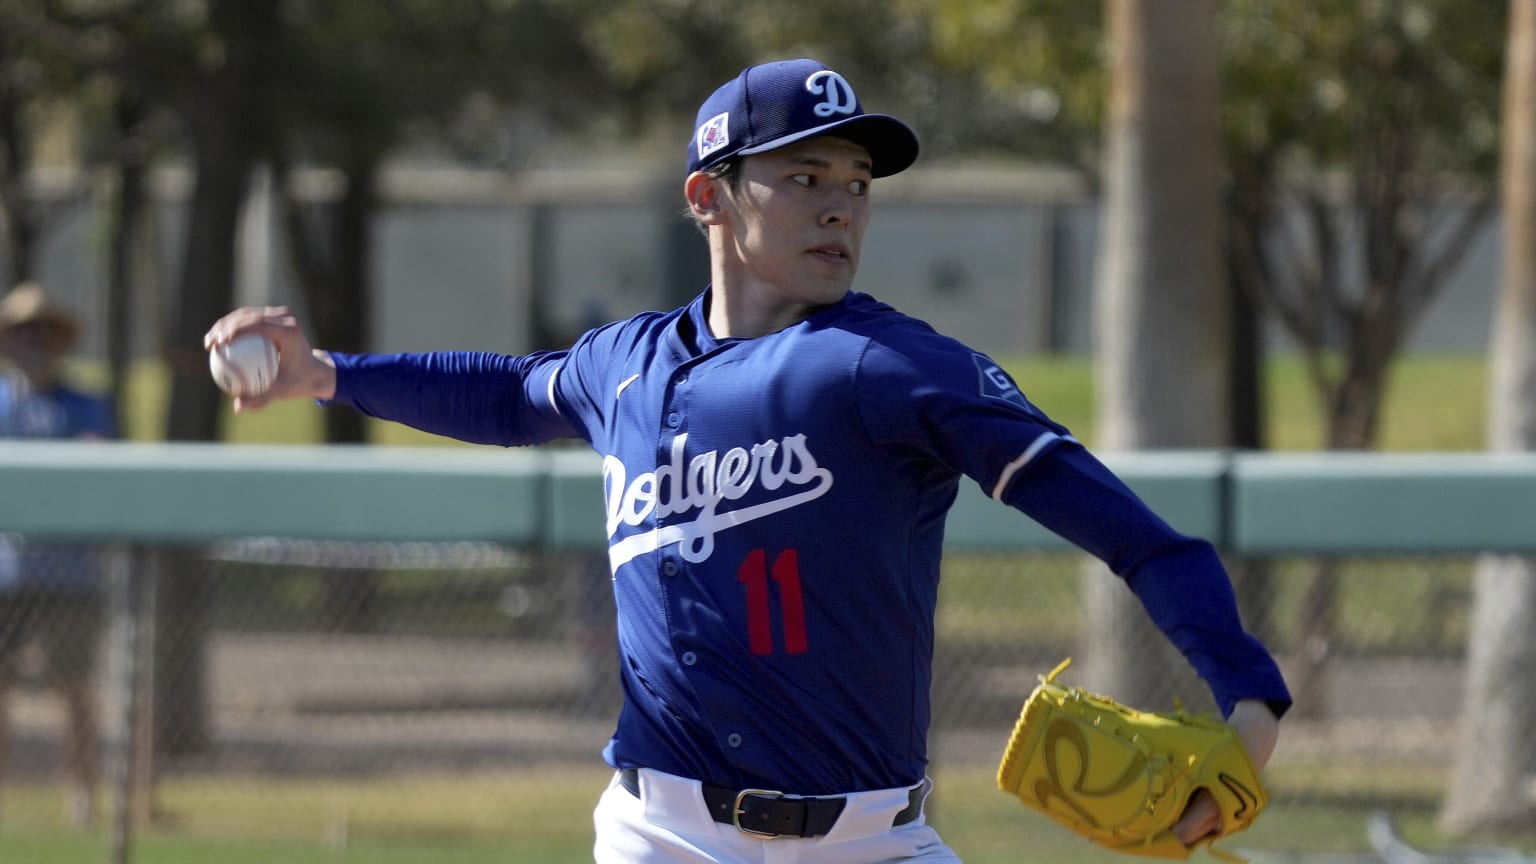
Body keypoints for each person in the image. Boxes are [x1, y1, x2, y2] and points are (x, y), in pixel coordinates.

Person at [205, 59, 1290, 863]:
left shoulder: (885, 366)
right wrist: (326, 375)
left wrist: (1250, 702)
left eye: (858, 182)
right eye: (804, 173)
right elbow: (502, 391)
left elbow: (1141, 537)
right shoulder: (621, 367)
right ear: (707, 195)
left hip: (875, 840)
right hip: (662, 836)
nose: (839, 203)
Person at [0, 282, 115, 827]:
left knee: (73, 688)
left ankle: (82, 797)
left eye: (43, 330)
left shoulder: (86, 406)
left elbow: (100, 476)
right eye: (22, 331)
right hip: (5, 575)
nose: (33, 341)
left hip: (70, 577)